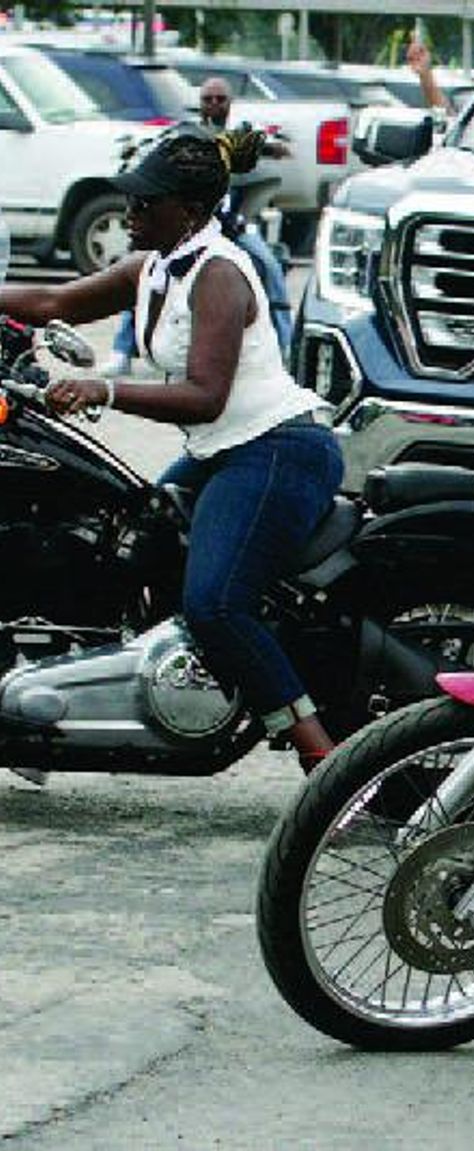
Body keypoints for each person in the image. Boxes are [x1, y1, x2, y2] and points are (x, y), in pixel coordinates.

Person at [0, 133, 343, 779]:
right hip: (222, 451)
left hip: (274, 450)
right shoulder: (153, 265)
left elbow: (205, 396)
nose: (129, 212)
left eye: (143, 202)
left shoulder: (220, 274)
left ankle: (323, 759)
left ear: (187, 209)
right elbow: (54, 303)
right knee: (131, 542)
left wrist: (102, 388)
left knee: (215, 603)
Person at [103, 77, 295, 375]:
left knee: (271, 267)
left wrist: (268, 149)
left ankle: (287, 349)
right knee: (149, 276)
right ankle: (121, 349)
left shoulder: (239, 135)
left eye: (221, 99)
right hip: (185, 226)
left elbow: (268, 146)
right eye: (209, 99)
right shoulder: (185, 135)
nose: (214, 105)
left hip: (231, 225)